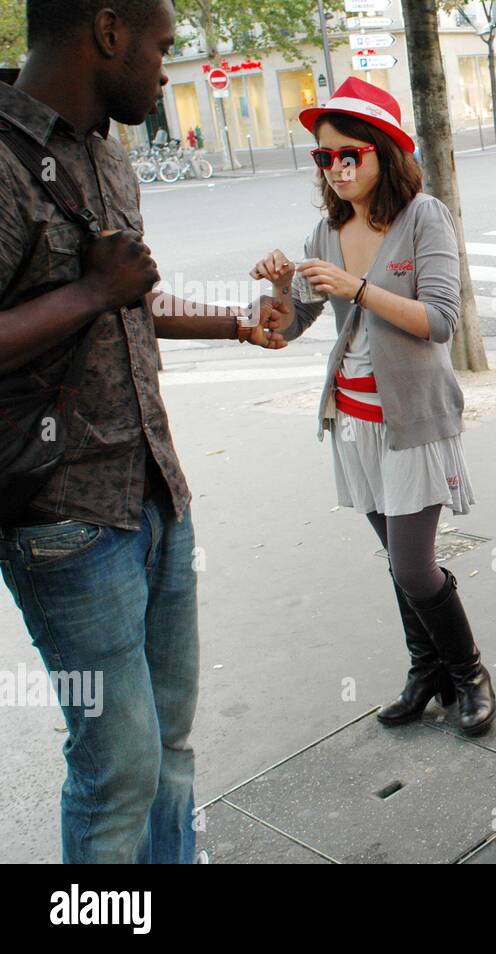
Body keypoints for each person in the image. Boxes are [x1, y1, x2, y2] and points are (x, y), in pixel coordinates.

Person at [0, 0, 287, 864]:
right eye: (162, 46)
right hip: (64, 521)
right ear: (109, 31)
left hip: (158, 493)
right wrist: (89, 292)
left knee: (169, 748)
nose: (169, 68)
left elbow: (134, 303)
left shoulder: (109, 158)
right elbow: (103, 295)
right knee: (118, 767)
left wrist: (237, 325)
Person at [251, 77, 496, 736]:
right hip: (353, 424)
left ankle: (470, 672)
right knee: (396, 561)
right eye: (323, 157)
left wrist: (359, 288)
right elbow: (280, 328)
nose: (336, 168)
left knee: (414, 565)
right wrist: (278, 286)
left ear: (384, 151)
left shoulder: (424, 218)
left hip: (412, 423)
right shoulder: (326, 230)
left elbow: (440, 320)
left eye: (348, 153)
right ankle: (428, 671)